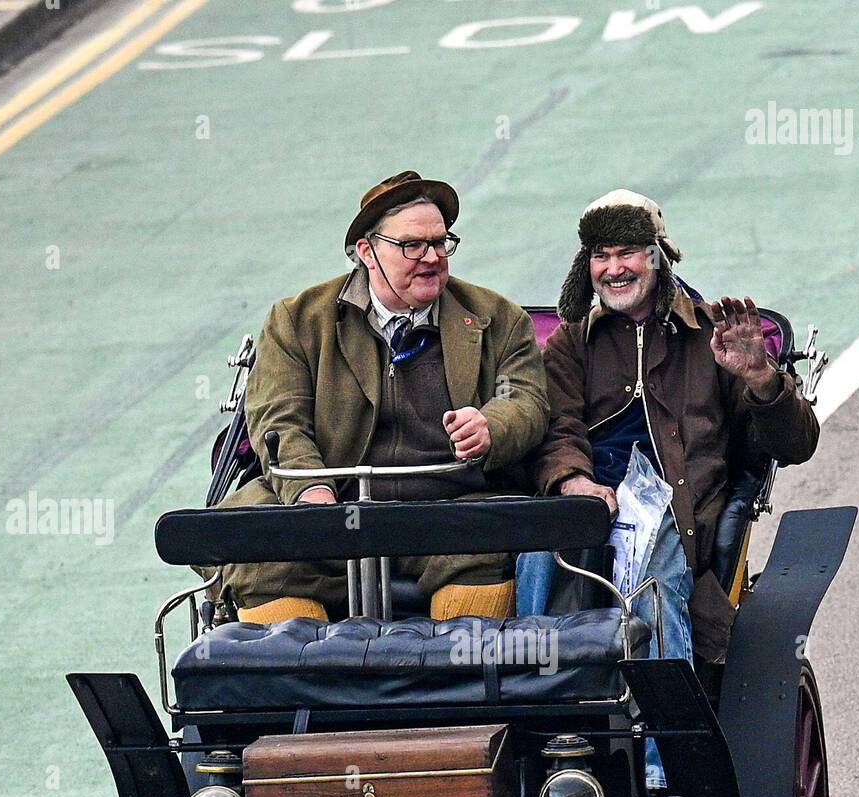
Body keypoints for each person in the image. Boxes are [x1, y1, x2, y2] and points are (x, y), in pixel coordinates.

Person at [210, 171, 549, 623]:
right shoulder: (296, 320)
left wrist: (492, 426)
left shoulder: (498, 318)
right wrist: (312, 492)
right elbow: (278, 419)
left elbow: (527, 401)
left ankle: (460, 686)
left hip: (451, 510)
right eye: (413, 245)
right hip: (332, 511)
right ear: (368, 252)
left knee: (487, 547)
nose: (431, 258)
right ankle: (310, 684)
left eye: (440, 243)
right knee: (259, 554)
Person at [521, 189, 820, 675]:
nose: (613, 268)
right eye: (601, 255)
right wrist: (573, 480)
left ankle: (665, 747)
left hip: (678, 518)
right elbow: (557, 428)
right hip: (590, 504)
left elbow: (794, 445)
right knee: (540, 539)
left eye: (627, 253)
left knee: (653, 557)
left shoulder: (711, 335)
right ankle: (535, 699)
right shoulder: (572, 342)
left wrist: (762, 378)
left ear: (657, 257)